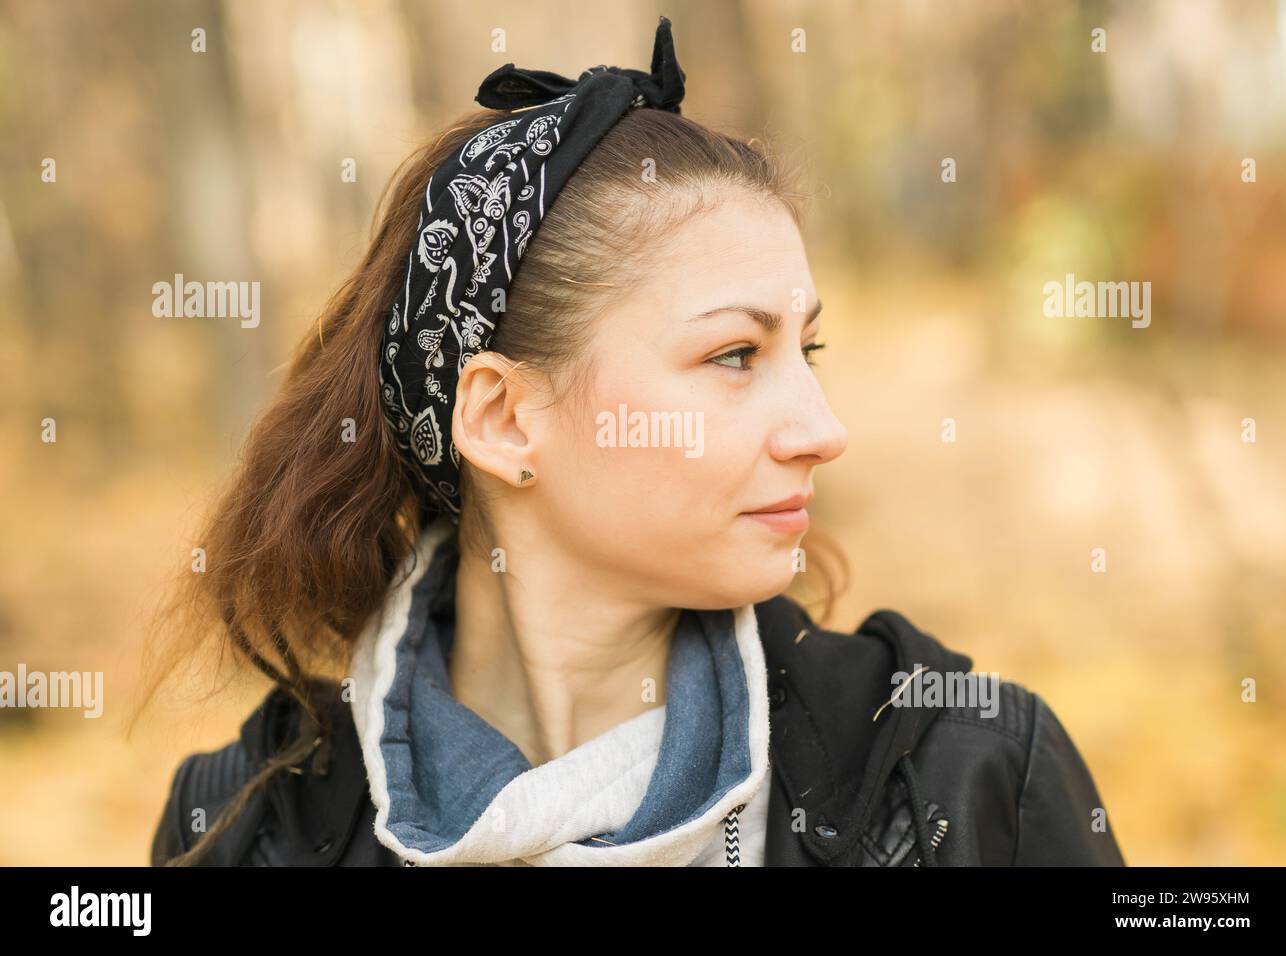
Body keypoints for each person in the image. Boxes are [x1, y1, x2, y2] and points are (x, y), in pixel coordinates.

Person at [143, 17, 1125, 867]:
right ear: (500, 417)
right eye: (735, 353)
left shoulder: (965, 776)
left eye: (806, 348)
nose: (824, 430)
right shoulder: (246, 826)